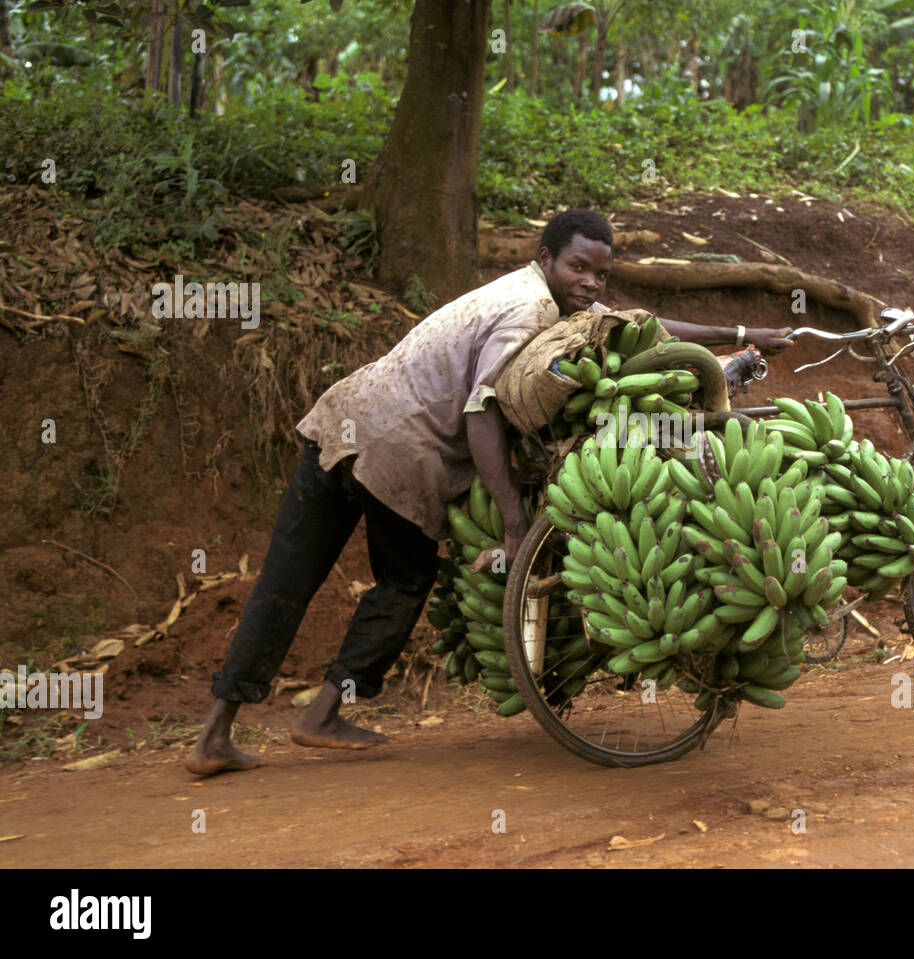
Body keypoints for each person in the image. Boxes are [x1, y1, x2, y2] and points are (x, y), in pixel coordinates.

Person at [185, 209, 794, 776]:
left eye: (599, 274)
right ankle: (322, 714)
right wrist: (511, 521)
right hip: (401, 450)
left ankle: (215, 735)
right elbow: (482, 413)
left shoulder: (528, 291)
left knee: (286, 579)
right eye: (578, 268)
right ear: (547, 257)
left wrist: (739, 333)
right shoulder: (529, 313)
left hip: (339, 422)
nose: (588, 283)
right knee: (403, 582)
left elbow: (640, 328)